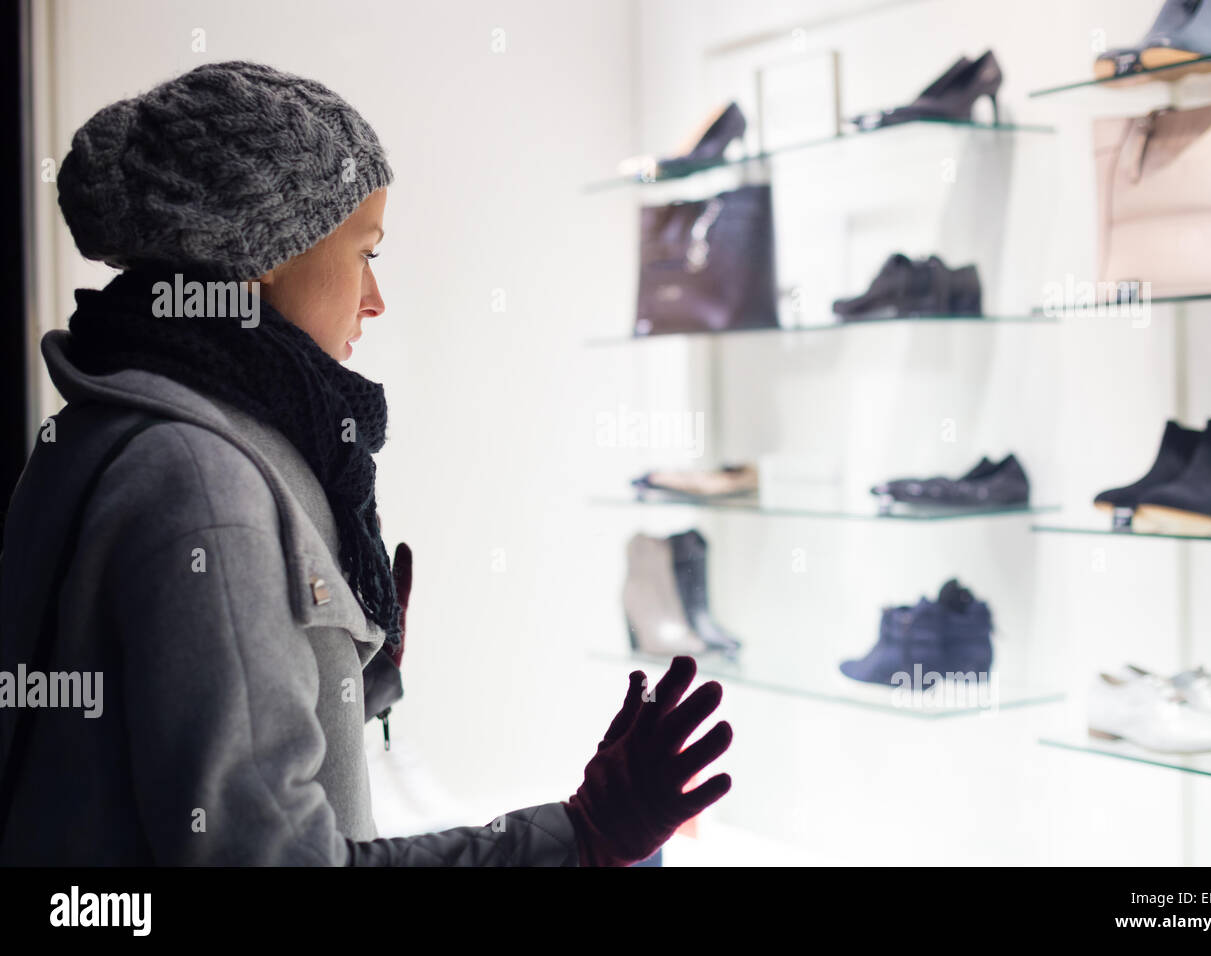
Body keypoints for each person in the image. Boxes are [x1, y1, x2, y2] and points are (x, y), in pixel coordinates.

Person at [0, 60, 731, 865]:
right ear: (264, 251)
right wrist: (584, 836)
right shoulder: (207, 481)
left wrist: (348, 676)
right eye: (365, 251)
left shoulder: (112, 422)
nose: (375, 298)